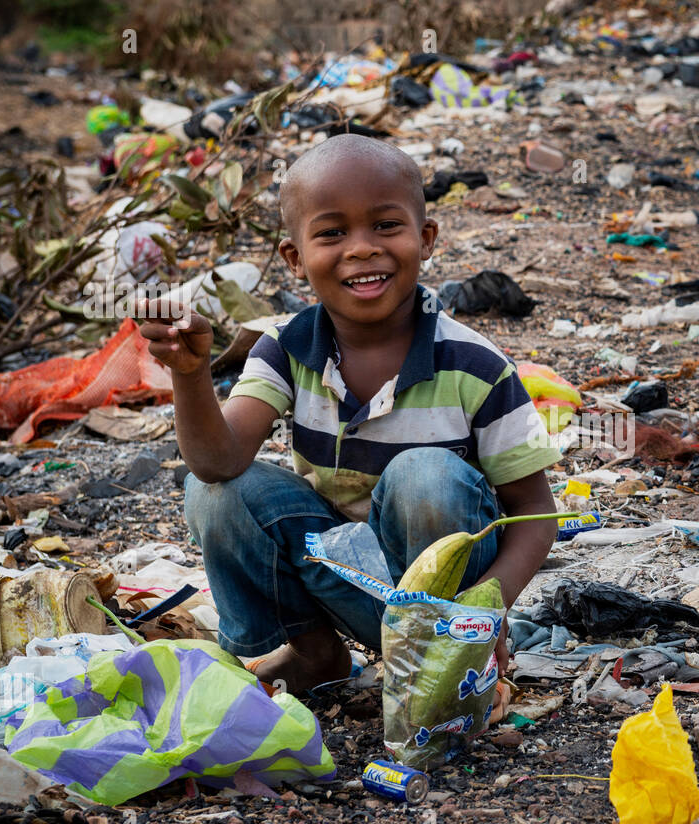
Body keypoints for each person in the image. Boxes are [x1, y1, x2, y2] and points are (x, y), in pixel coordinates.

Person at [137, 134, 561, 693]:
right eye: (332, 233)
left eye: (386, 225)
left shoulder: (474, 365)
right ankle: (316, 653)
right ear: (294, 258)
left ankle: (446, 665)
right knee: (213, 491)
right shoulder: (284, 348)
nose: (361, 249)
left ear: (426, 238)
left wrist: (486, 608)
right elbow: (219, 461)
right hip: (342, 579)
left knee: (423, 475)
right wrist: (189, 375)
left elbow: (535, 513)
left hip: (449, 609)